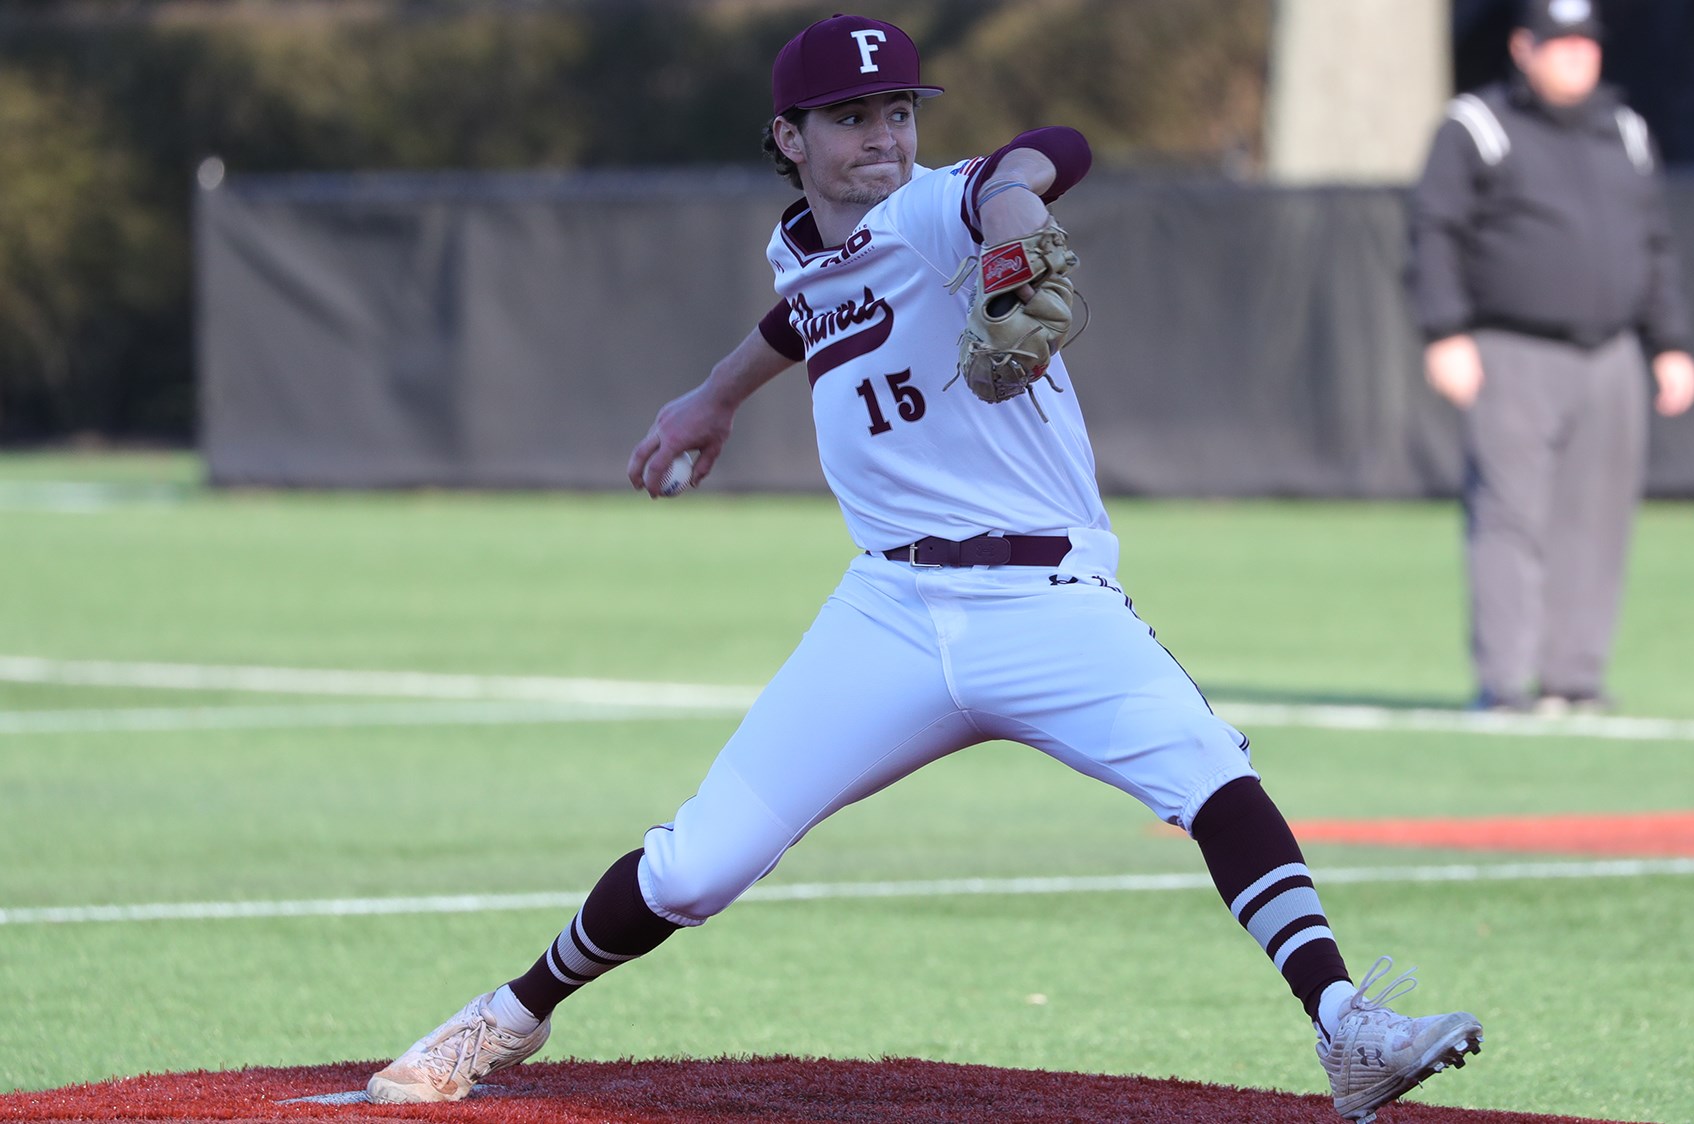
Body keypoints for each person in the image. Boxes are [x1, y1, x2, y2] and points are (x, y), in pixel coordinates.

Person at [367, 14, 1480, 1121]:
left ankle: (1343, 1022)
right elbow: (804, 308)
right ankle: (506, 1016)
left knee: (1209, 773)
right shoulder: (802, 248)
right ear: (789, 138)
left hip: (1048, 600)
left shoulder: (939, 205)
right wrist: (714, 394)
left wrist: (1013, 213)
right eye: (850, 117)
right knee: (695, 867)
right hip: (889, 610)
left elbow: (1049, 151)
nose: (883, 136)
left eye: (897, 111)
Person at [1408, 0, 1694, 714]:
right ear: (1523, 48)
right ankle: (1505, 683)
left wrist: (1670, 343)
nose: (1577, 57)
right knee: (1510, 515)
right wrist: (1445, 332)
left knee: (1598, 520)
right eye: (1560, 44)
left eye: (1585, 44)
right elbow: (1434, 232)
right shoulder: (1478, 127)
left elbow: (1654, 245)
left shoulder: (1624, 130)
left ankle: (1575, 678)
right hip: (1512, 348)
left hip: (1612, 353)